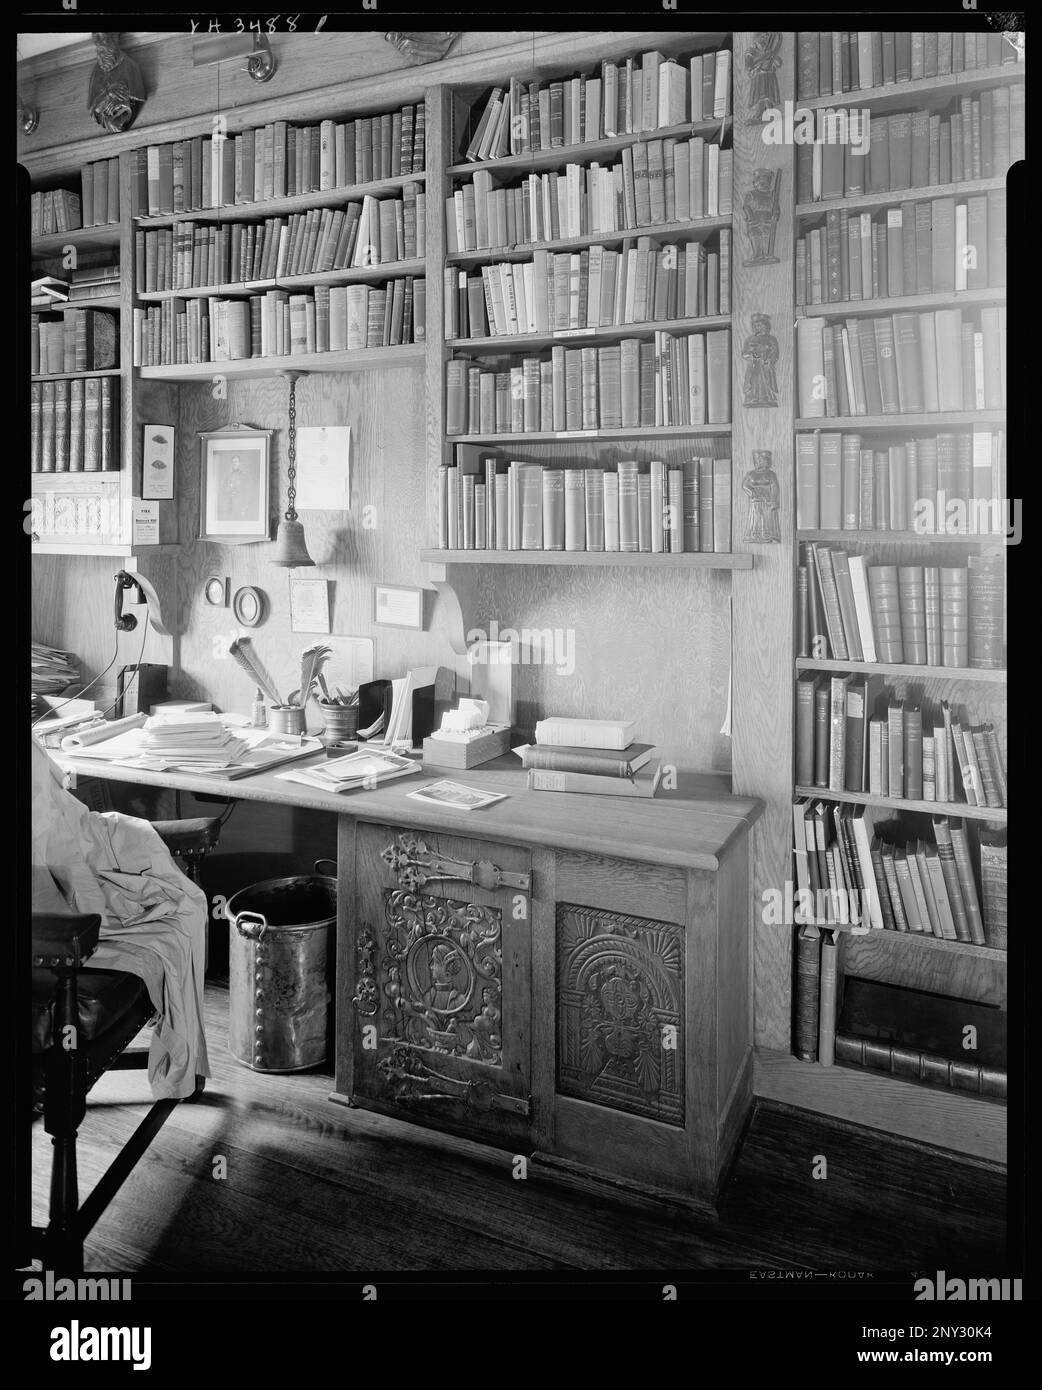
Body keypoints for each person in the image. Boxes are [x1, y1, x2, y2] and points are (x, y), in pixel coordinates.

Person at [31, 739, 209, 1100]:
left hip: (63, 892)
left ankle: (181, 1065)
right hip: (51, 940)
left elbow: (62, 824)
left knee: (182, 903)